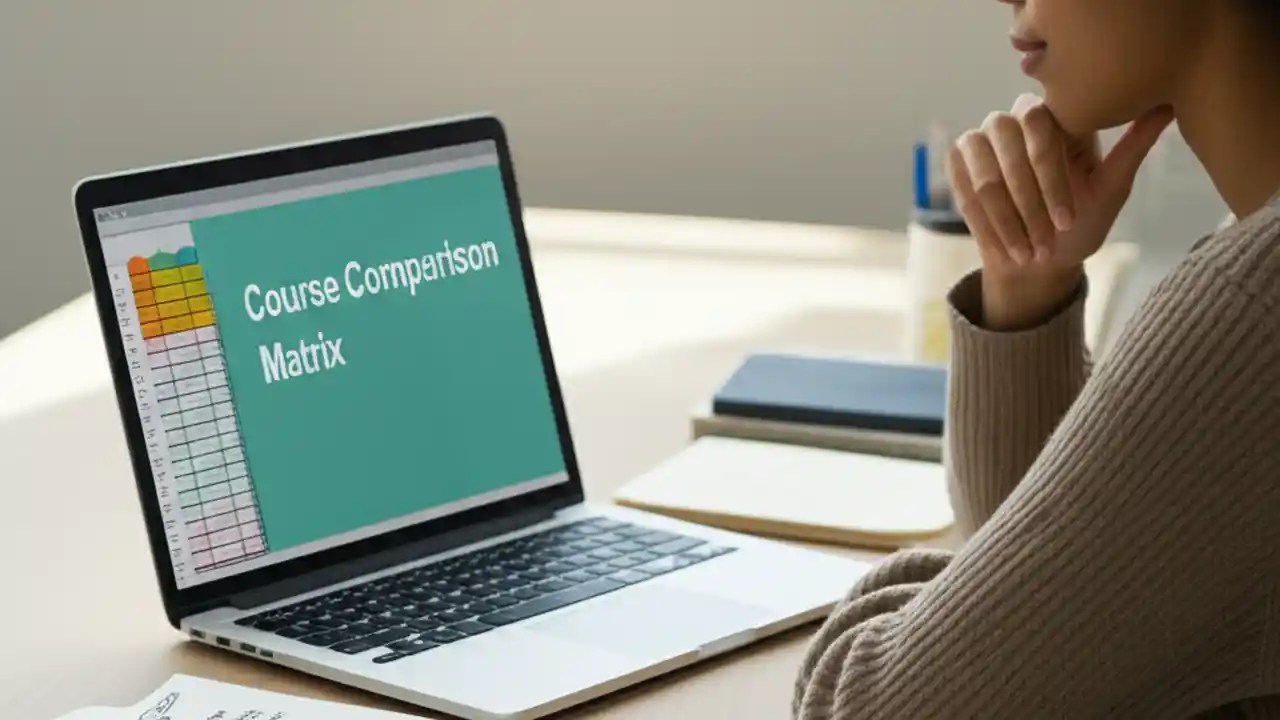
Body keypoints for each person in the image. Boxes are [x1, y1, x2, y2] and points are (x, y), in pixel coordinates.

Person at [792, 0, 1280, 717]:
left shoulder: (1254, 305)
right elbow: (1051, 657)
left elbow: (868, 704)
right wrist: (1026, 286)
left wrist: (975, 602)